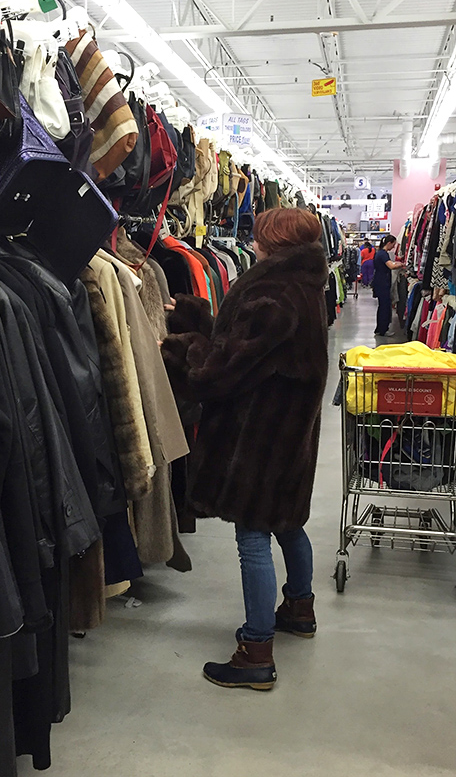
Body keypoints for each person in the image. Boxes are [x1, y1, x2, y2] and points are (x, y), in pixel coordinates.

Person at [162, 208, 329, 691]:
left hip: (258, 435)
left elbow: (221, 370)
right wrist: (197, 315)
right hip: (288, 430)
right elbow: (246, 346)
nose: (252, 244)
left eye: (259, 237)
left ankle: (256, 651)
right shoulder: (302, 285)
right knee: (288, 522)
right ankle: (299, 608)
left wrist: (180, 347)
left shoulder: (273, 293)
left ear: (272, 243)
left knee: (253, 536)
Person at [372, 234, 403, 337]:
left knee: (382, 306)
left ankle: (380, 329)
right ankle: (383, 329)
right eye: (393, 245)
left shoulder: (379, 253)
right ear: (389, 243)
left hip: (380, 282)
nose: (393, 247)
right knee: (385, 306)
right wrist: (401, 264)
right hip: (382, 283)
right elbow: (391, 266)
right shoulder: (383, 254)